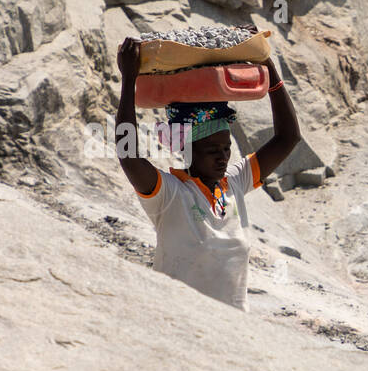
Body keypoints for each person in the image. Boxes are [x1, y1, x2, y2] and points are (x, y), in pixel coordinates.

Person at [114, 36, 301, 310]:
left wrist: (266, 62)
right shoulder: (169, 194)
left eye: (226, 148)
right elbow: (128, 156)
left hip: (233, 327)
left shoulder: (234, 184)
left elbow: (289, 137)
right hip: (180, 322)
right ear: (187, 151)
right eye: (212, 149)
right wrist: (128, 80)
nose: (222, 157)